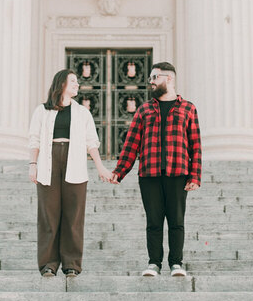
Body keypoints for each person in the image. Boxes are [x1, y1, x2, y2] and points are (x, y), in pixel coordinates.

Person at [111, 62, 201, 277]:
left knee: (177, 221)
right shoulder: (144, 109)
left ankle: (176, 263)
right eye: (151, 78)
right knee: (154, 221)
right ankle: (154, 263)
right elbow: (132, 143)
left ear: (168, 78)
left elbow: (195, 144)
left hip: (178, 173)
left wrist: (195, 175)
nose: (150, 82)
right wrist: (119, 171)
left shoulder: (188, 108)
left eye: (154, 77)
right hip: (149, 174)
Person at [28, 69, 112, 278]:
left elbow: (91, 143)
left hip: (75, 163)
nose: (77, 84)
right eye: (73, 81)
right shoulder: (42, 110)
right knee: (49, 214)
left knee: (73, 215)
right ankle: (48, 264)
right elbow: (34, 138)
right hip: (49, 162)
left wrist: (100, 167)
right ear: (62, 84)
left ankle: (71, 264)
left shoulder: (82, 112)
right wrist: (32, 164)